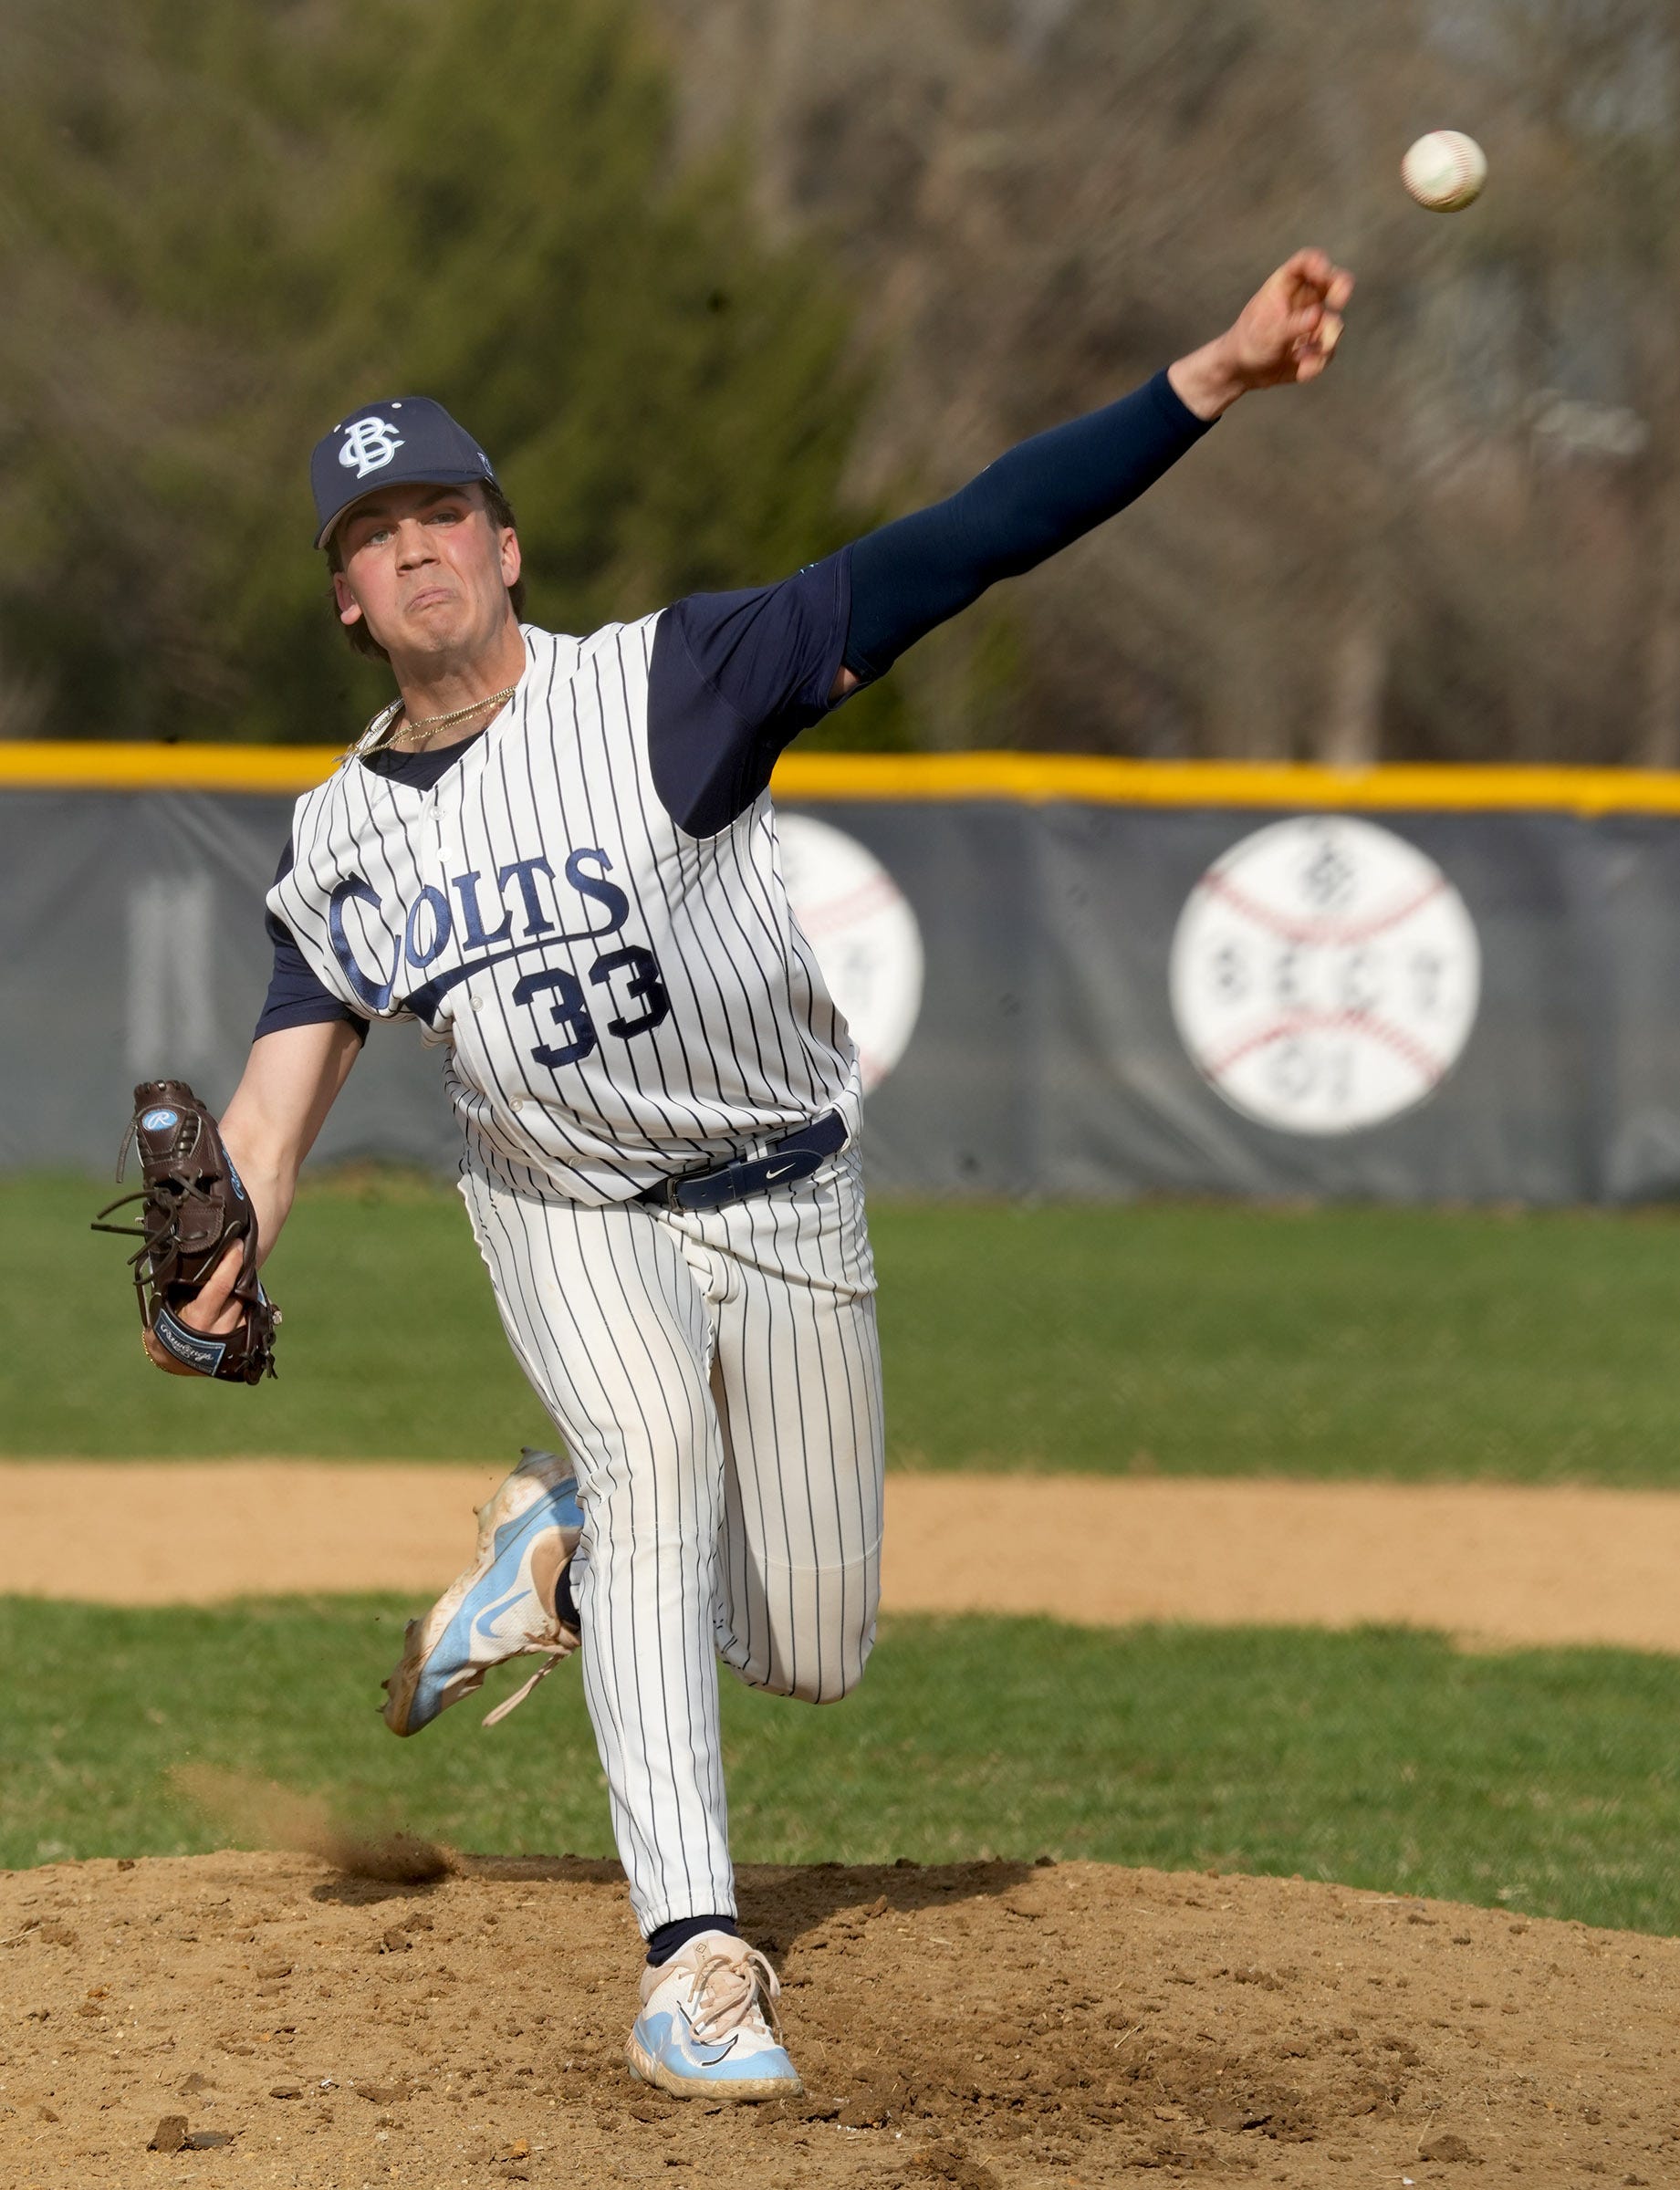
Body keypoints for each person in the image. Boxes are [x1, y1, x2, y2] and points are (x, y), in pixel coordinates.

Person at [152, 249, 1351, 2101]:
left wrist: (1209, 373)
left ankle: (546, 1560)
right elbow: (278, 1092)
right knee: (655, 1468)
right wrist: (220, 1253)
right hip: (565, 1214)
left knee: (809, 1646)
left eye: (447, 512)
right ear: (344, 600)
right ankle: (692, 1961)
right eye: (377, 535)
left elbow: (971, 539)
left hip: (784, 1192)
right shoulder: (342, 837)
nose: (420, 551)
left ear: (510, 545)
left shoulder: (676, 683)